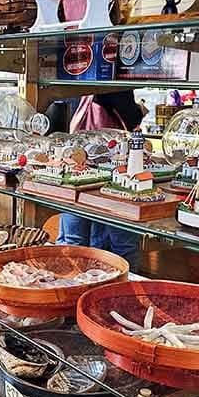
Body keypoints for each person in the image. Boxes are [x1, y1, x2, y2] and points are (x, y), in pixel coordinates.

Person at [55, 90, 145, 271]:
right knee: (122, 244)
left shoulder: (71, 77)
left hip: (74, 166)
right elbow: (131, 117)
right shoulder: (114, 81)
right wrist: (139, 110)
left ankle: (71, 287)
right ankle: (121, 291)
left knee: (72, 239)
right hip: (111, 168)